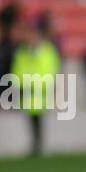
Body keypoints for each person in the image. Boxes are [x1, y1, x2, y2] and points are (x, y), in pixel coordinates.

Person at [11, 15, 61, 156]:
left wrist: (31, 84)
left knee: (39, 121)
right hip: (27, 95)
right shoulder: (22, 52)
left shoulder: (47, 51)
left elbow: (50, 73)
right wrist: (21, 84)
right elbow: (17, 71)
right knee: (31, 122)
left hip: (41, 94)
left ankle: (39, 146)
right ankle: (35, 146)